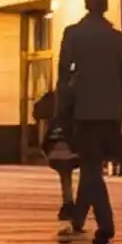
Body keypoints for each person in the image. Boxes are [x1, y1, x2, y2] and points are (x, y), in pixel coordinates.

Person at [56, 0, 122, 244]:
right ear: (106, 5)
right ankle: (78, 218)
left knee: (91, 169)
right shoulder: (119, 39)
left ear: (87, 4)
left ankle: (106, 224)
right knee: (92, 166)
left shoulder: (73, 34)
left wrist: (61, 112)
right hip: (112, 113)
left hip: (84, 111)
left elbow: (64, 77)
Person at [35, 88, 79, 221]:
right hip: (71, 148)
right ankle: (76, 205)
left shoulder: (54, 96)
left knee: (65, 176)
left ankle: (68, 202)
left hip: (54, 150)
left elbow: (37, 110)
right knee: (87, 172)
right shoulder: (78, 96)